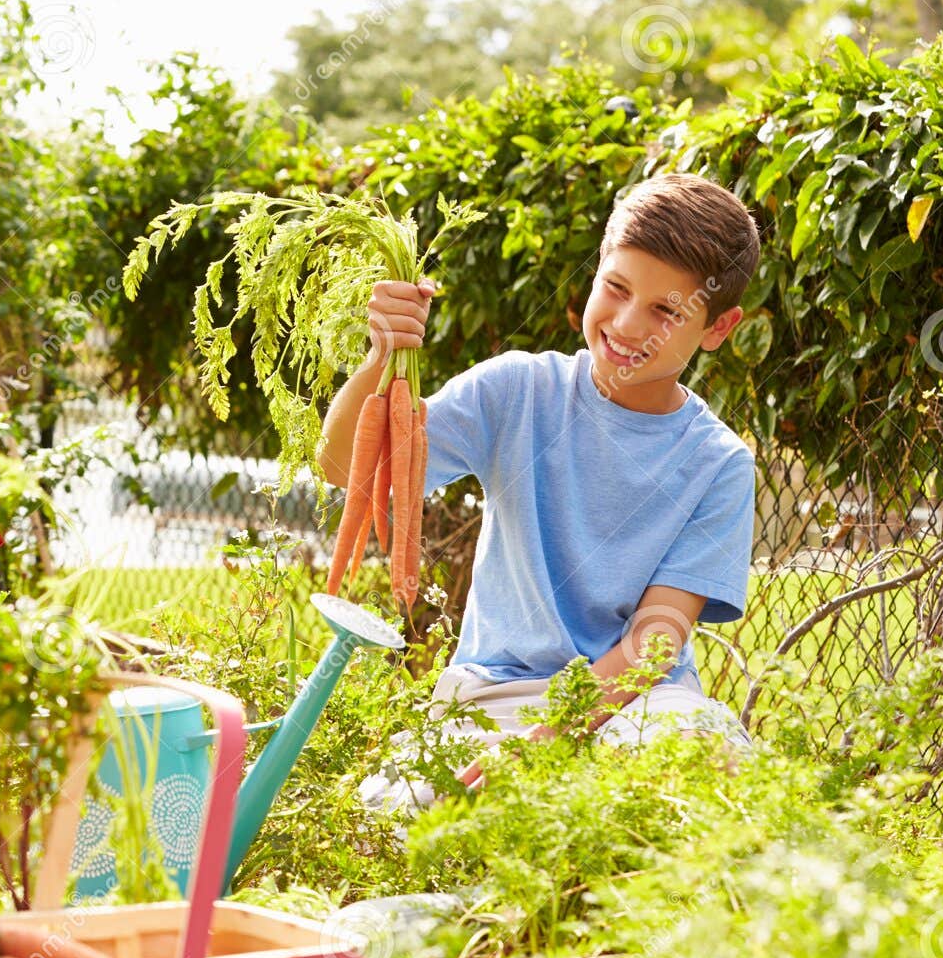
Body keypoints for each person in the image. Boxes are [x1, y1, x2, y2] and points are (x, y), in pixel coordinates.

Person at [319, 174, 761, 810]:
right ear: (597, 271)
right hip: (492, 693)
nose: (630, 325)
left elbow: (655, 642)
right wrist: (381, 357)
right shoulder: (517, 391)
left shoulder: (718, 464)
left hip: (637, 705)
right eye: (616, 288)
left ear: (718, 328)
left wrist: (545, 743)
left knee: (701, 763)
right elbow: (345, 469)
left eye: (667, 311)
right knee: (389, 813)